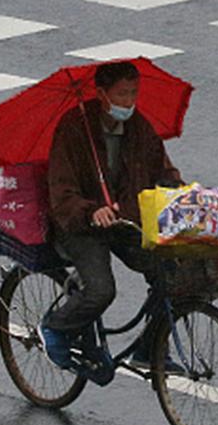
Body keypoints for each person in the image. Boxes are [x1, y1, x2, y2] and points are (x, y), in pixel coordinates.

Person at [40, 60, 185, 374]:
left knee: (170, 272)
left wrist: (181, 193)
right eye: (121, 94)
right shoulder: (74, 128)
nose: (129, 101)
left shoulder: (139, 128)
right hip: (79, 225)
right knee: (101, 290)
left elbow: (163, 169)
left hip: (123, 222)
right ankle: (55, 327)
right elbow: (61, 191)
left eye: (133, 93)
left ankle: (150, 349)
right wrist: (91, 209)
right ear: (101, 94)